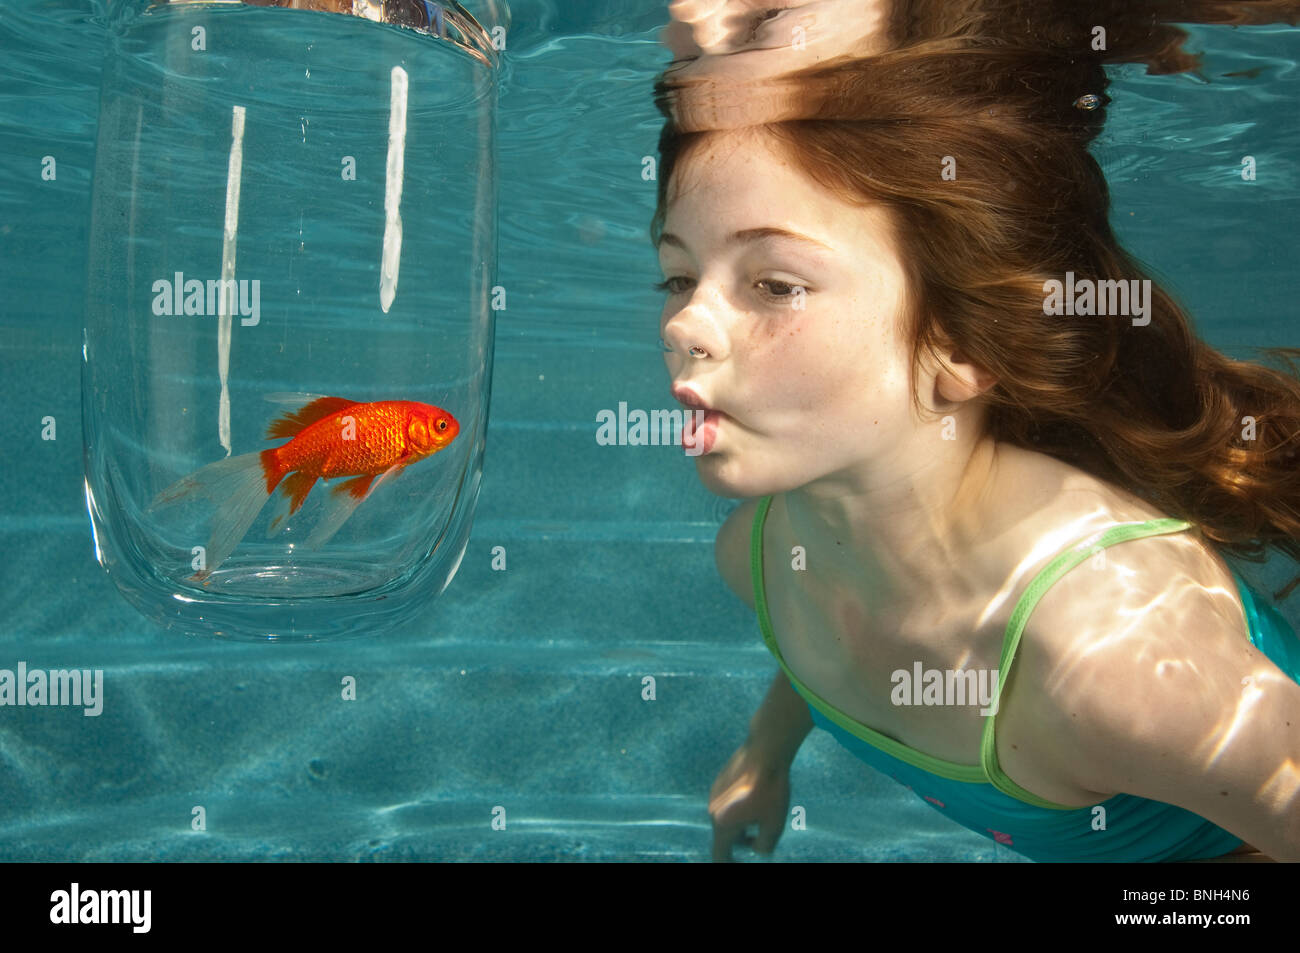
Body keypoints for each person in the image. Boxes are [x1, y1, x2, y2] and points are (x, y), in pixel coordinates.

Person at [652, 6, 1300, 862]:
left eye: (774, 284)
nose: (685, 324)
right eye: (678, 275)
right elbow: (834, 636)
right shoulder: (767, 556)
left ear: (960, 346)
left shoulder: (1111, 658)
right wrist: (766, 755)